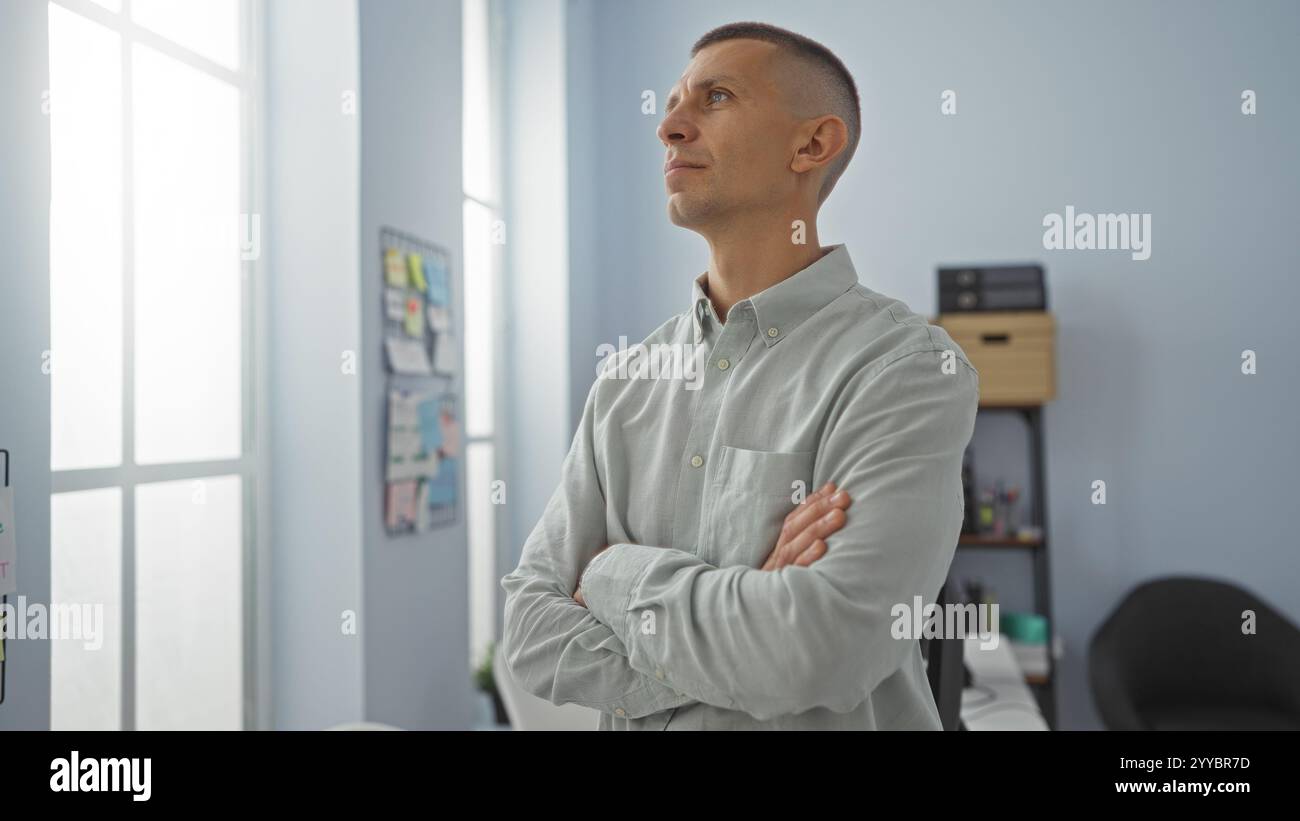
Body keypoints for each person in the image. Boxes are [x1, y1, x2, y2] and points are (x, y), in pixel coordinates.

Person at [500, 21, 979, 729]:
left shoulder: (905, 369)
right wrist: (747, 617)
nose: (669, 127)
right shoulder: (625, 383)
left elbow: (819, 651)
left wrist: (612, 573)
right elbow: (532, 634)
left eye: (715, 97)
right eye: (670, 104)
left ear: (812, 144)